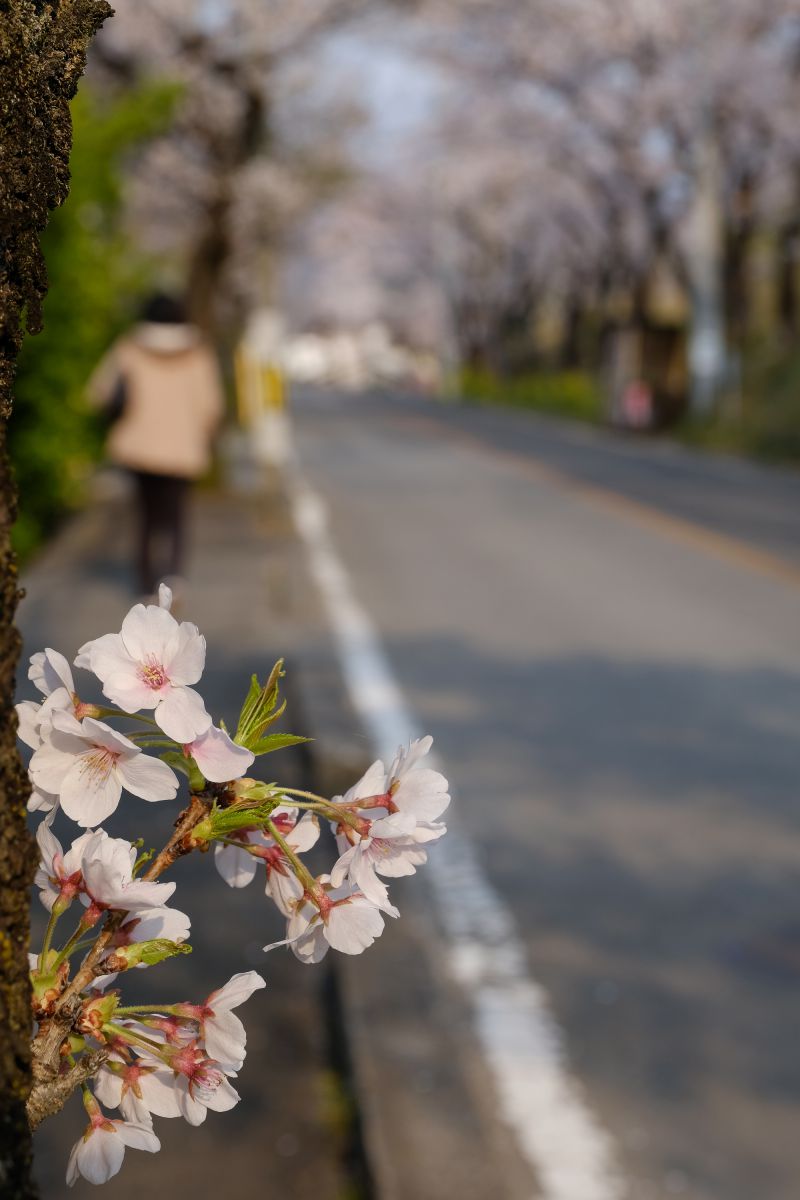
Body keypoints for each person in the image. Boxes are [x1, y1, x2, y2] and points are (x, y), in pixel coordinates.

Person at [88, 293, 225, 596]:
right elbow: (211, 405)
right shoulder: (198, 352)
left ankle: (145, 583)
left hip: (140, 447)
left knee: (145, 517)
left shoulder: (130, 347)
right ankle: (173, 579)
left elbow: (99, 391)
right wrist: (201, 433)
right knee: (176, 516)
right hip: (183, 448)